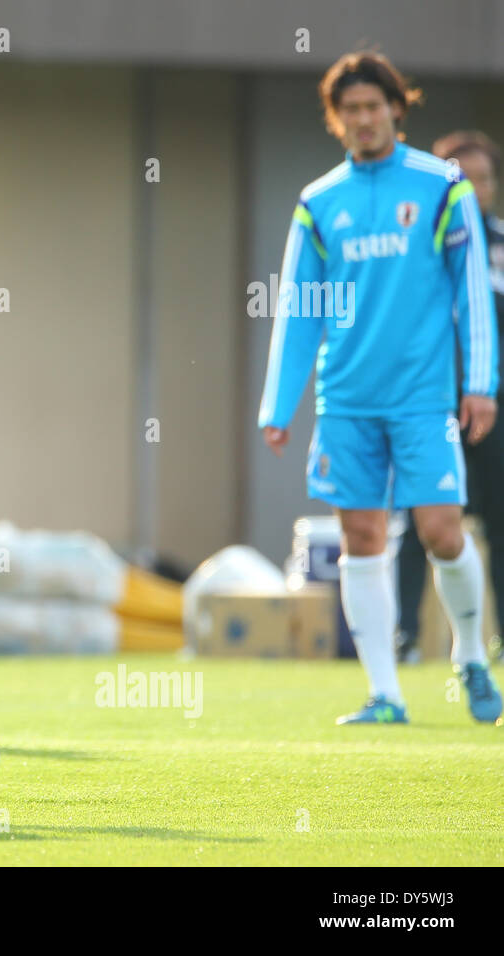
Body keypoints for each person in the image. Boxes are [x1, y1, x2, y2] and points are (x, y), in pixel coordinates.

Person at [258, 50, 503, 724]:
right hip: (347, 403)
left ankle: (469, 655)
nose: (364, 119)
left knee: (443, 532)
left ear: (397, 108)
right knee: (362, 538)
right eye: (350, 111)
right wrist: (280, 405)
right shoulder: (318, 202)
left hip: (425, 399)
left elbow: (473, 295)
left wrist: (480, 383)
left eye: (374, 106)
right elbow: (298, 309)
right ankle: (384, 694)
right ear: (336, 121)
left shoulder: (441, 186)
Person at [396, 131, 504, 663]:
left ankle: (499, 638)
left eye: (482, 180)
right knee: (423, 520)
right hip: (431, 402)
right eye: (460, 178)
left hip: (494, 408)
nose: (473, 190)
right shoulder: (417, 248)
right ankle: (406, 638)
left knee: (500, 521)